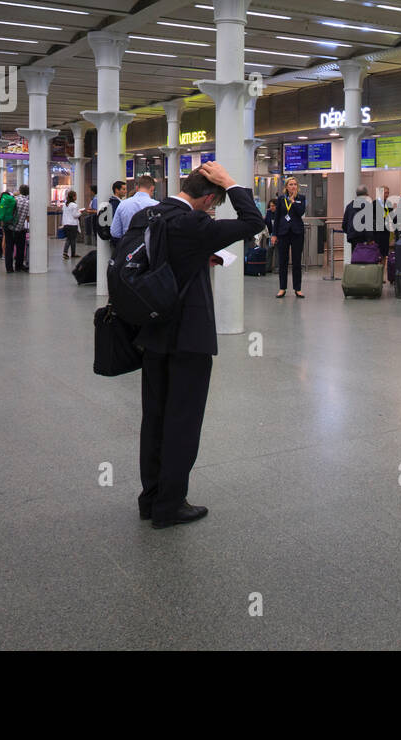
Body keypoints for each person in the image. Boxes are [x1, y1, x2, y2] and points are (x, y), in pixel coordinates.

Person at [129, 163, 265, 528]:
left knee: (154, 417)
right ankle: (170, 505)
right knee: (183, 420)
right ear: (208, 197)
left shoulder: (149, 214)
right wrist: (232, 183)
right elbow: (254, 222)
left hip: (152, 332)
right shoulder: (196, 224)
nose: (211, 210)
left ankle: (151, 497)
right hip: (188, 336)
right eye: (213, 203)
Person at [271, 176, 306, 298]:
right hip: (283, 233)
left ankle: (298, 288)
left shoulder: (301, 198)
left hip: (297, 233)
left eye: (295, 184)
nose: (293, 186)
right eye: (291, 184)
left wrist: (293, 202)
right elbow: (277, 217)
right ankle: (282, 288)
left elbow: (301, 212)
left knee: (296, 261)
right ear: (286, 187)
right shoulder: (280, 199)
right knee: (283, 261)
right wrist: (274, 234)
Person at [343, 185, 390, 259]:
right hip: (365, 237)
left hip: (353, 237)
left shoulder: (349, 206)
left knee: (356, 256)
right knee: (366, 257)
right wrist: (370, 238)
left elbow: (344, 224)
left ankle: (356, 269)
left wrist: (351, 232)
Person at [110, 175, 158, 242]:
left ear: (137, 187)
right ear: (152, 188)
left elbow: (115, 232)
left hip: (128, 247)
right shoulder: (156, 205)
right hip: (150, 247)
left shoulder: (123, 204)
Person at [4, 184, 30, 273]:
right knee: (20, 248)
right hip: (20, 228)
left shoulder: (14, 199)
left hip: (9, 227)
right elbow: (28, 218)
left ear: (20, 190)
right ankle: (19, 266)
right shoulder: (28, 203)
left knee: (9, 248)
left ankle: (9, 268)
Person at [59, 189, 81, 261]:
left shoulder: (65, 205)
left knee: (70, 239)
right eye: (76, 196)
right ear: (73, 197)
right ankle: (66, 253)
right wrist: (80, 212)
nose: (76, 197)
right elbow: (75, 215)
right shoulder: (74, 205)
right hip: (72, 224)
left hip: (66, 224)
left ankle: (72, 253)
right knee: (72, 239)